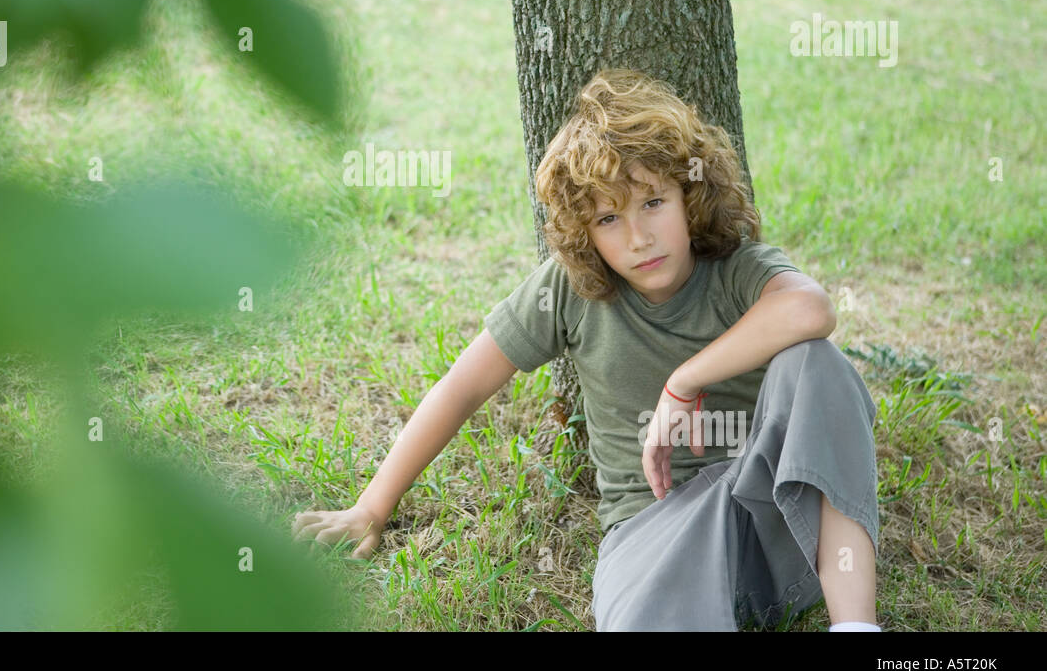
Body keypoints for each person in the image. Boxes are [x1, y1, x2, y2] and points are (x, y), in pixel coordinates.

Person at [291, 68, 880, 632]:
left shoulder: (736, 272)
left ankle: (855, 625)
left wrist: (686, 381)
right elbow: (462, 386)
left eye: (653, 202)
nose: (639, 237)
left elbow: (811, 311)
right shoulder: (569, 290)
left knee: (815, 360)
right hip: (656, 533)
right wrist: (370, 507)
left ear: (690, 195)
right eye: (608, 218)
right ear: (585, 233)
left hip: (777, 531)